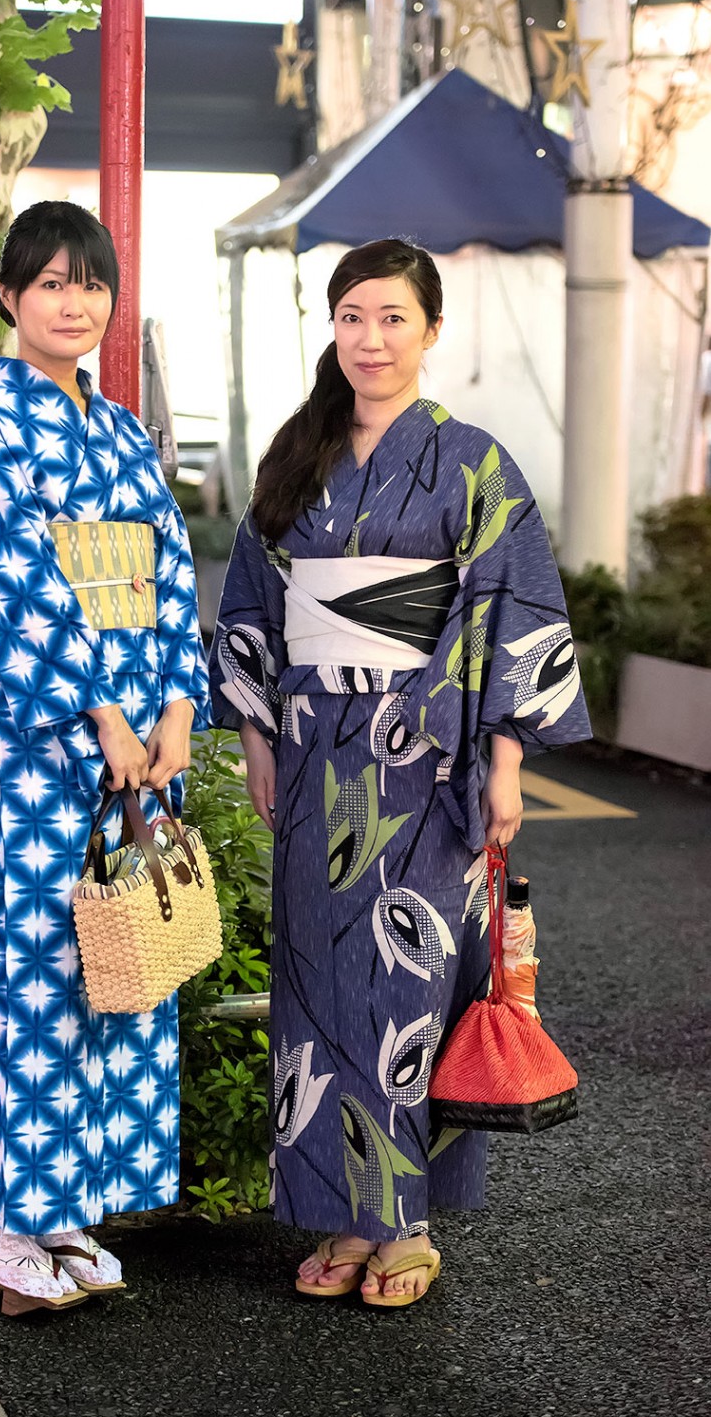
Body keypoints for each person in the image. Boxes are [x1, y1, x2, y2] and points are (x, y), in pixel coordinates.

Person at [208, 238, 591, 1308]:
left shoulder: (471, 460)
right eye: (349, 318)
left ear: (429, 330)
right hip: (313, 748)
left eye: (390, 318)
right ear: (331, 332)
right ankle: (334, 1215)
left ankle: (403, 1223)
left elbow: (511, 612)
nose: (368, 339)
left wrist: (504, 762)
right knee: (315, 988)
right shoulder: (298, 456)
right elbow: (250, 606)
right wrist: (254, 741)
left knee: (406, 988)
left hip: (423, 758)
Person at [0, 201, 210, 1301]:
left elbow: (172, 567)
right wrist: (98, 714)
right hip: (41, 750)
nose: (73, 303)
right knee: (35, 979)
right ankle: (1, 1222)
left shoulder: (114, 430)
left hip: (143, 743)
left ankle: (66, 1218)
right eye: (49, 282)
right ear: (9, 296)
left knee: (120, 977)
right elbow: (14, 587)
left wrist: (178, 710)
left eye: (88, 283)